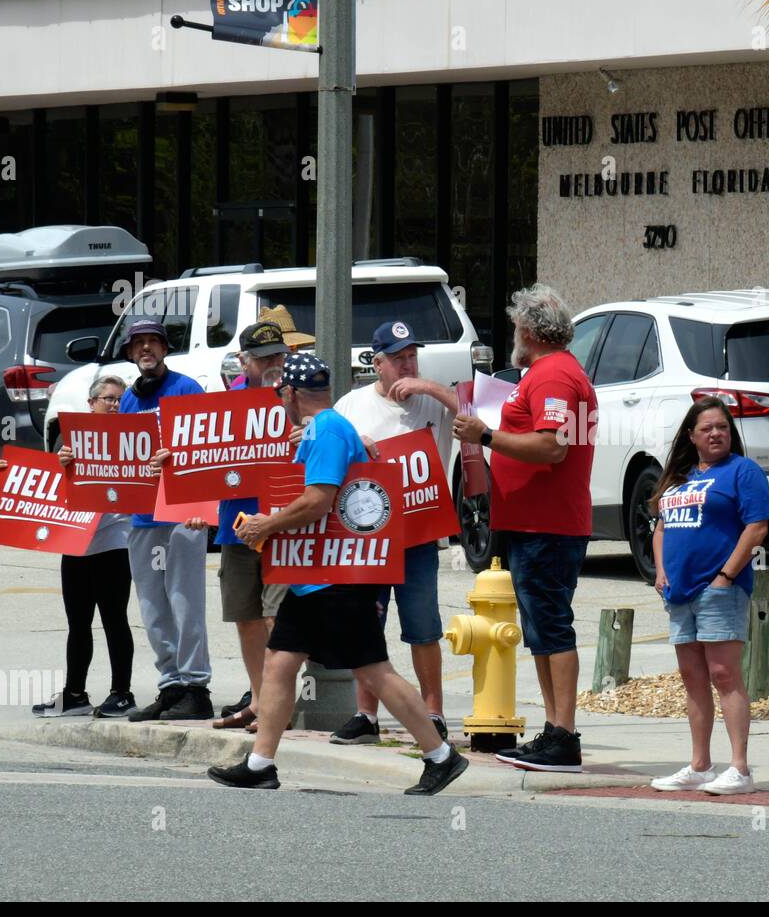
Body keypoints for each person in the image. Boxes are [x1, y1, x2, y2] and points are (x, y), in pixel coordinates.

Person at [207, 353, 468, 794]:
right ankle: (260, 763)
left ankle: (440, 756)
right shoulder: (327, 429)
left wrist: (265, 524)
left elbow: (318, 500)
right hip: (315, 577)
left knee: (374, 670)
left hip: (337, 579)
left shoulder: (328, 429)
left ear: (289, 394)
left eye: (282, 396)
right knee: (280, 662)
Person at [452, 284, 596, 773]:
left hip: (547, 525)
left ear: (531, 331)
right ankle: (555, 730)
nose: (514, 334)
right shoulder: (549, 372)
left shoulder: (553, 375)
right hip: (538, 522)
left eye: (516, 326)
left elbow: (552, 446)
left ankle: (565, 734)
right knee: (540, 629)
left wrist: (487, 435)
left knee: (551, 625)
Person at [57, 320, 212, 721]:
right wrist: (74, 464)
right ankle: (170, 685)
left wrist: (174, 458)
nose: (146, 349)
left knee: (184, 602)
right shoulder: (128, 401)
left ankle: (196, 687)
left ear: (164, 349)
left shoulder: (187, 389)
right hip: (141, 518)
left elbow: (208, 450)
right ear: (130, 353)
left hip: (182, 515)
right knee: (152, 607)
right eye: (139, 344)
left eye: (153, 343)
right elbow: (113, 458)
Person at [330, 320, 459, 745]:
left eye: (412, 356)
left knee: (423, 626)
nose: (407, 364)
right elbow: (329, 454)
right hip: (369, 535)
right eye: (398, 358)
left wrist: (431, 388)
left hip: (420, 532)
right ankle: (365, 715)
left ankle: (434, 712)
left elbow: (476, 415)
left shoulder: (432, 400)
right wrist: (357, 445)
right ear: (377, 362)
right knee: (368, 625)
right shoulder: (352, 404)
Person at [649, 397, 769, 795]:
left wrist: (725, 575)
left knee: (724, 674)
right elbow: (662, 528)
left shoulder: (743, 471)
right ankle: (700, 765)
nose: (716, 433)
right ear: (692, 436)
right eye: (707, 428)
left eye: (722, 426)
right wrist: (662, 571)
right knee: (692, 677)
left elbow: (757, 527)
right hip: (679, 591)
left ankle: (741, 768)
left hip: (719, 588)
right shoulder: (678, 478)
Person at [173, 321, 291, 731]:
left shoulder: (295, 396)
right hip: (236, 526)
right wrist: (176, 475)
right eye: (263, 359)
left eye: (278, 355)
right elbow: (198, 461)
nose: (273, 364)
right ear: (244, 362)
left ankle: (279, 706)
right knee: (247, 617)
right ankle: (259, 700)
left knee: (278, 618)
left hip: (284, 524)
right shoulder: (225, 402)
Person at [30, 375, 136, 717]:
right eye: (108, 398)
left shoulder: (133, 440)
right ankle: (75, 693)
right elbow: (43, 484)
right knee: (78, 622)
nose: (115, 404)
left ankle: (122, 691)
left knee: (114, 619)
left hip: (114, 540)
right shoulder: (71, 442)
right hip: (75, 540)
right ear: (91, 404)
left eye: (120, 399)